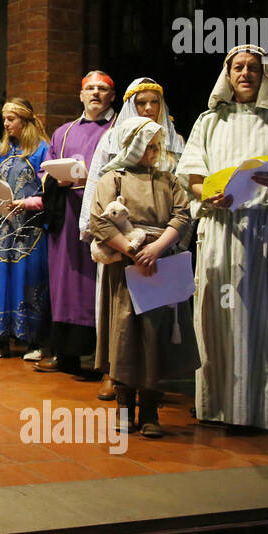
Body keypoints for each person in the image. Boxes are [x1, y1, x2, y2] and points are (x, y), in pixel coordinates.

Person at [175, 44, 268, 440]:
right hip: (225, 231)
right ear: (226, 75)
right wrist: (205, 193)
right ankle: (228, 406)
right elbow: (191, 173)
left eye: (253, 68)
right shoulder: (211, 120)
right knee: (224, 319)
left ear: (265, 74)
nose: (245, 74)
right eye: (237, 68)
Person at [90, 117, 199, 437]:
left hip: (158, 265)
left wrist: (158, 248)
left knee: (155, 335)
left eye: (156, 147)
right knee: (125, 335)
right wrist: (133, 251)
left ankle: (150, 411)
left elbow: (182, 216)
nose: (153, 153)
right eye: (147, 146)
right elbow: (100, 221)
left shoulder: (168, 180)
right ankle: (124, 410)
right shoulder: (114, 178)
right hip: (126, 269)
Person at [78, 77, 186, 398]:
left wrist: (169, 241)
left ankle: (154, 375)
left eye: (154, 102)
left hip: (160, 243)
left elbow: (180, 200)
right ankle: (115, 371)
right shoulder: (114, 139)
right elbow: (98, 184)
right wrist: (97, 231)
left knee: (156, 314)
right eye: (142, 103)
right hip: (119, 244)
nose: (149, 108)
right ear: (131, 106)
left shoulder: (173, 140)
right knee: (119, 313)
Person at [34, 71, 116, 376]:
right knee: (63, 281)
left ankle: (97, 357)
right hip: (66, 214)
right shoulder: (63, 132)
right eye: (89, 89)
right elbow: (45, 173)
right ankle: (64, 353)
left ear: (112, 95)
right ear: (80, 95)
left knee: (94, 280)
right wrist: (55, 179)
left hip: (102, 215)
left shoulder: (118, 129)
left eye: (102, 89)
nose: (95, 93)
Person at [0, 98, 51, 359]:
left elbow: (49, 191)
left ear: (24, 119)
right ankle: (0, 339)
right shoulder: (0, 152)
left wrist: (26, 203)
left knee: (29, 279)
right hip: (1, 228)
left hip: (29, 229)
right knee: (0, 279)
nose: (7, 125)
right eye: (5, 120)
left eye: (11, 119)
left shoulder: (42, 150)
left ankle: (33, 340)